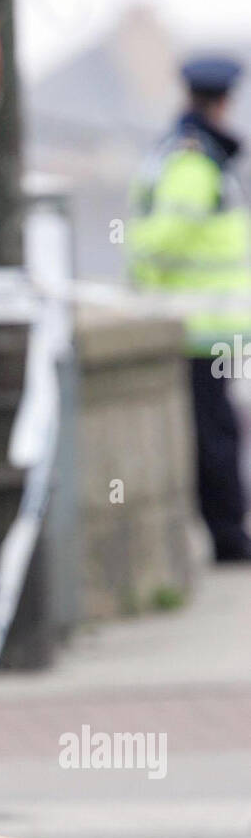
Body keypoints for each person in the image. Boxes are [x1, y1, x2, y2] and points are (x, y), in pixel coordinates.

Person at [128, 57, 251, 561]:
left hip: (203, 322)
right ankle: (228, 536)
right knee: (215, 434)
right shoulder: (195, 162)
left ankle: (225, 530)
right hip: (200, 323)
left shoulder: (183, 155)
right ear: (222, 101)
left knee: (215, 430)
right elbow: (160, 240)